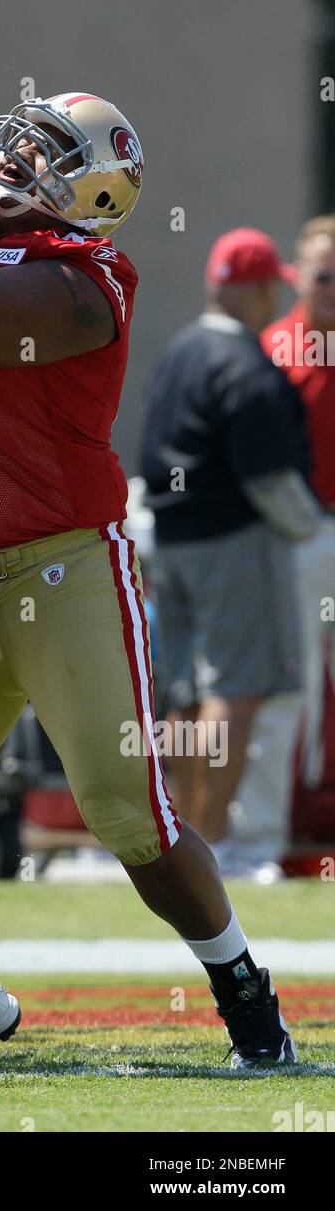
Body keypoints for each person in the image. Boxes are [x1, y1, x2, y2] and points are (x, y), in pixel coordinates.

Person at [0, 95, 296, 1067]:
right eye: (19, 136)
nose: (13, 155)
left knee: (128, 815)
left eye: (47, 149)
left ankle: (244, 993)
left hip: (63, 571)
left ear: (97, 186)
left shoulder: (90, 281)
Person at [142, 228, 318, 867]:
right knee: (236, 691)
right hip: (235, 540)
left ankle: (183, 841)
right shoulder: (246, 363)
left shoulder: (182, 350)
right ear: (261, 287)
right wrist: (311, 528)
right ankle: (212, 846)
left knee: (186, 691)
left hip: (171, 539)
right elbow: (269, 480)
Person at [262, 216, 335, 798]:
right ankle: (264, 834)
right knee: (291, 685)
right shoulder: (273, 350)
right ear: (299, 277)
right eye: (324, 275)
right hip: (298, 536)